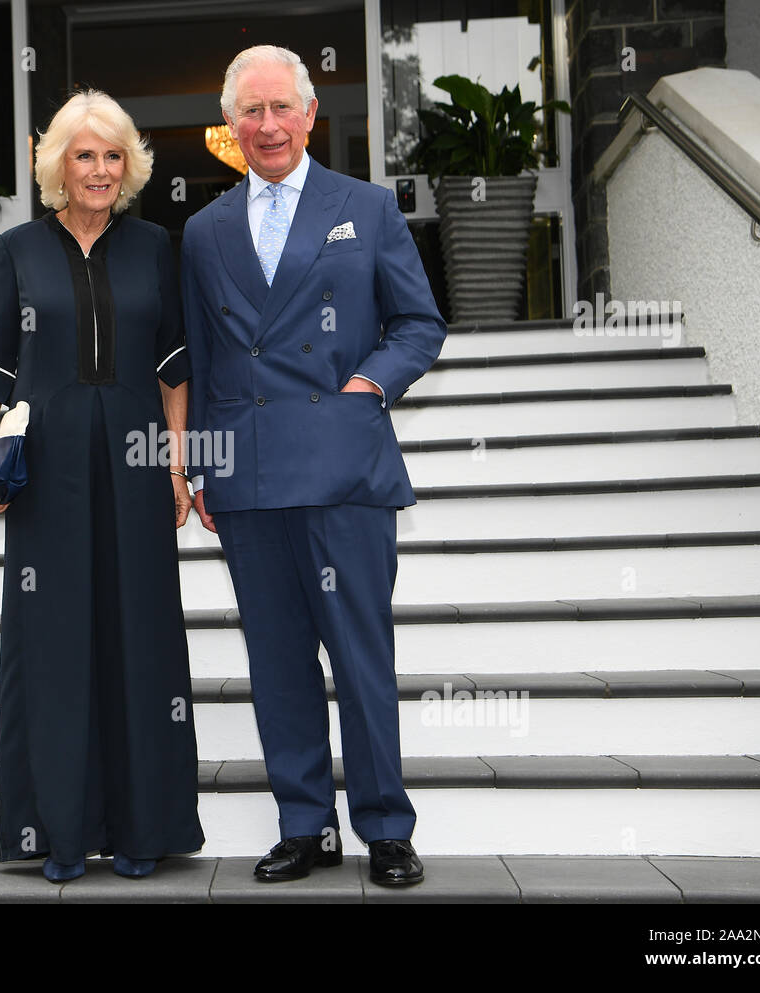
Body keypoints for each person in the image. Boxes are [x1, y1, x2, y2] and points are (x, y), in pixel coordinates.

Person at [181, 45, 447, 885]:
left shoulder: (365, 207)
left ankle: (385, 826)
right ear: (229, 127)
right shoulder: (202, 229)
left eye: (280, 109)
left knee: (360, 652)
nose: (267, 126)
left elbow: (418, 324)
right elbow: (202, 355)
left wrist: (368, 385)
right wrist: (198, 462)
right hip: (250, 475)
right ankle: (306, 824)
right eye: (249, 112)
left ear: (309, 113)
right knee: (277, 658)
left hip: (343, 468)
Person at [0, 90, 204, 883]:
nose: (100, 169)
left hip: (135, 464)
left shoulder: (154, 246)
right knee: (55, 643)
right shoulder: (19, 250)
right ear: (58, 166)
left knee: (140, 635)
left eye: (112, 155)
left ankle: (142, 828)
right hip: (50, 469)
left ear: (129, 166)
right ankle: (54, 832)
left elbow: (173, 363)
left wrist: (177, 462)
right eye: (84, 155)